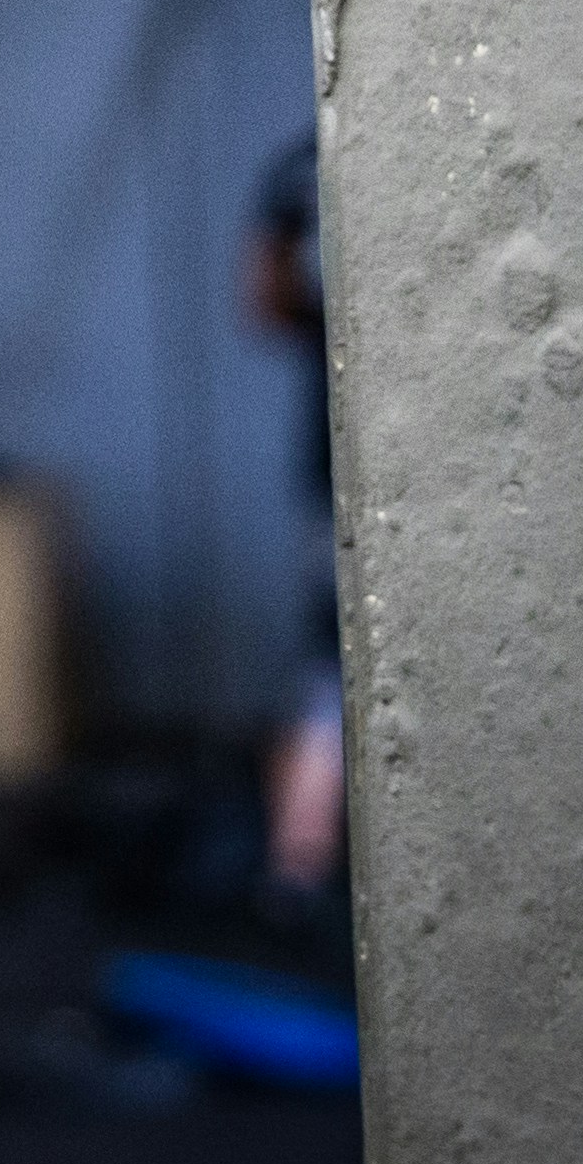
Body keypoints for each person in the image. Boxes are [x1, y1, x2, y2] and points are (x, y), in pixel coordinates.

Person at [248, 127, 346, 914]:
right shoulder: (305, 165)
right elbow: (266, 300)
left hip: (338, 458)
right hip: (346, 460)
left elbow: (266, 300)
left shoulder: (298, 165)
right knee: (327, 667)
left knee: (327, 665)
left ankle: (298, 869)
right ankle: (299, 867)